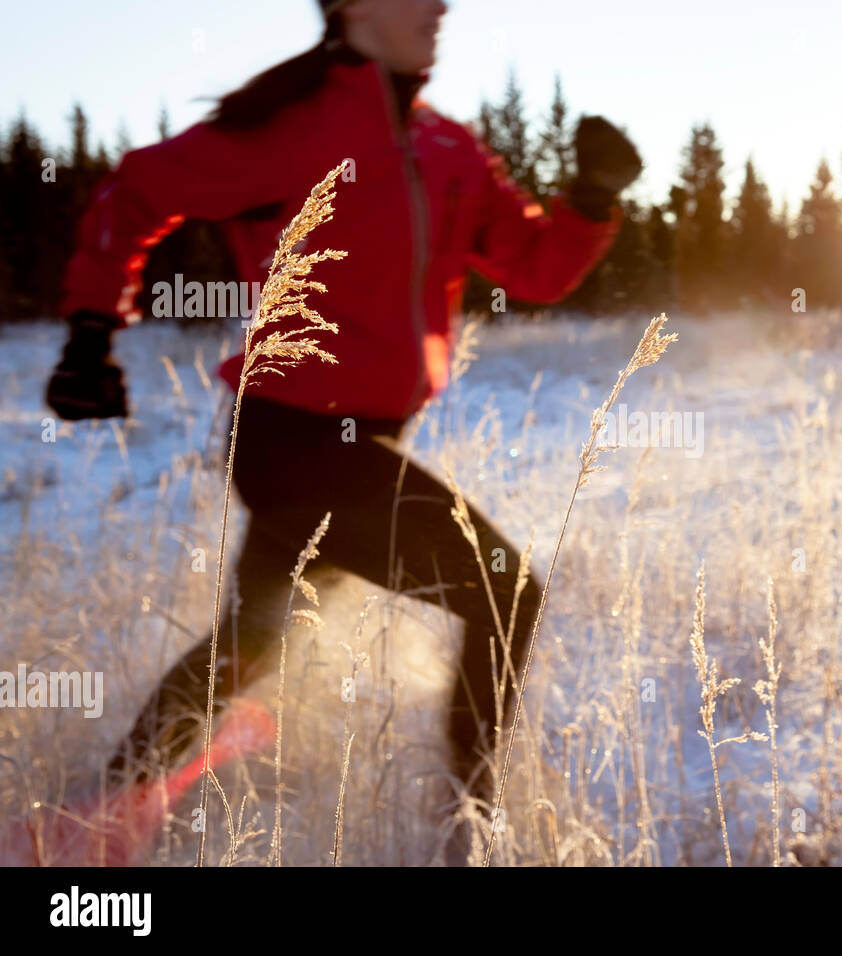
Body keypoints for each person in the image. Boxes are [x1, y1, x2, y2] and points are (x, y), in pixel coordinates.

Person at [43, 0, 643, 846]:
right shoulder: (290, 126)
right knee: (505, 593)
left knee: (246, 651)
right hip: (293, 441)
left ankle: (88, 828)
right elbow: (135, 190)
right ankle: (463, 837)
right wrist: (90, 332)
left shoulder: (446, 146)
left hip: (368, 441)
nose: (441, 7)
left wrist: (590, 199)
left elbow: (530, 267)